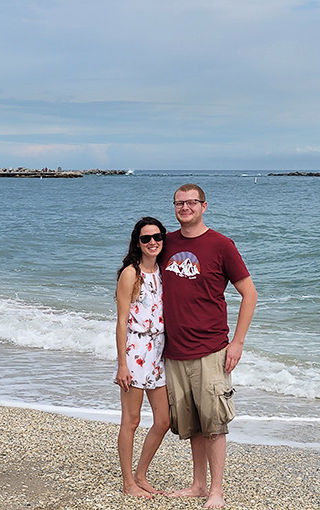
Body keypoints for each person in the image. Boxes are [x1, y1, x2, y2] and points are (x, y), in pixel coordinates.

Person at [161, 184, 257, 509]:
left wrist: (238, 342)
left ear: (204, 206)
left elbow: (250, 294)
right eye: (179, 203)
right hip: (173, 352)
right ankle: (198, 485)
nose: (185, 207)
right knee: (191, 424)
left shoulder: (221, 245)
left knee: (214, 422)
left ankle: (216, 490)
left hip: (212, 350)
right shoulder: (166, 244)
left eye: (191, 202)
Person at [114, 217, 171, 499]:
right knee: (131, 420)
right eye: (146, 238)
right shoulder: (130, 274)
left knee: (164, 420)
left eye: (157, 236)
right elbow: (121, 321)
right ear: (137, 242)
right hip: (135, 351)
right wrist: (122, 363)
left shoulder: (164, 271)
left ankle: (141, 474)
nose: (153, 242)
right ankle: (128, 484)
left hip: (159, 351)